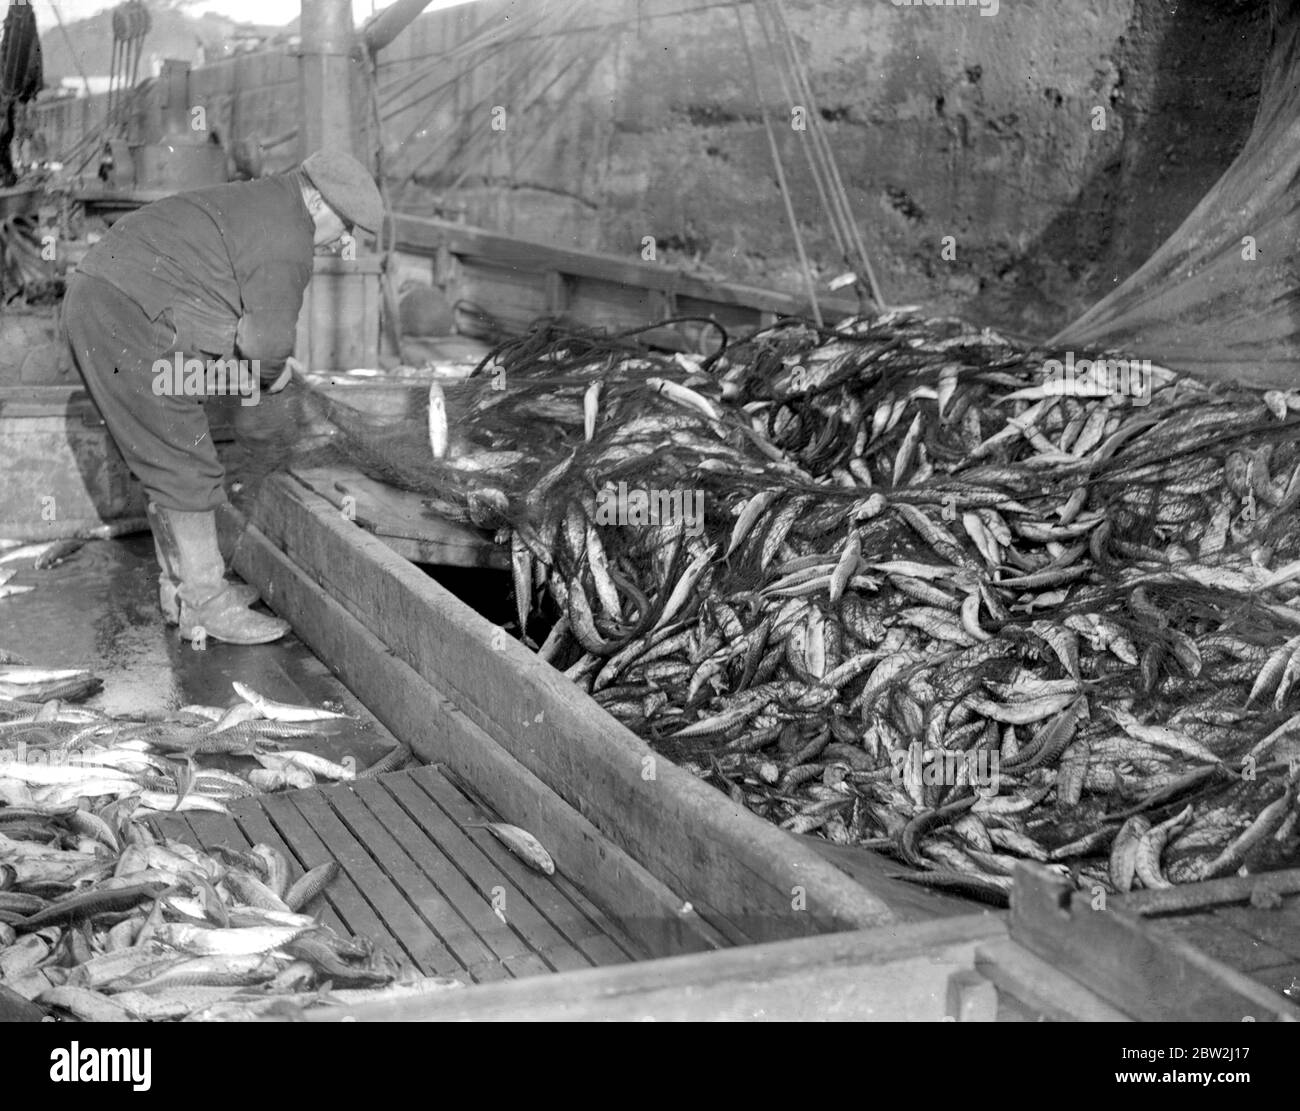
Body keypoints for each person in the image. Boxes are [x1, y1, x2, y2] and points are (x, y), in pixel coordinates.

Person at [62, 149, 384, 645]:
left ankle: (184, 590)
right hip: (126, 316)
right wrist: (269, 376)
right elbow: (265, 348)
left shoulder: (264, 199)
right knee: (184, 461)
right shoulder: (289, 236)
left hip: (106, 300)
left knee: (166, 455)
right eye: (344, 226)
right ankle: (207, 604)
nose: (343, 240)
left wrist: (255, 370)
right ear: (317, 203)